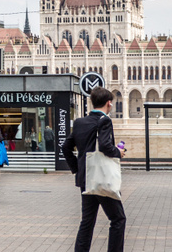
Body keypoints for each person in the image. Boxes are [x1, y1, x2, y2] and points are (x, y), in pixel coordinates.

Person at [64, 87, 126, 252]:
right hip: (102, 178)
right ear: (108, 103)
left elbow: (66, 147)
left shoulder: (79, 122)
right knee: (118, 219)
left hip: (86, 178)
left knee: (87, 221)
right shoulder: (104, 120)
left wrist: (77, 169)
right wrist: (118, 152)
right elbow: (105, 146)